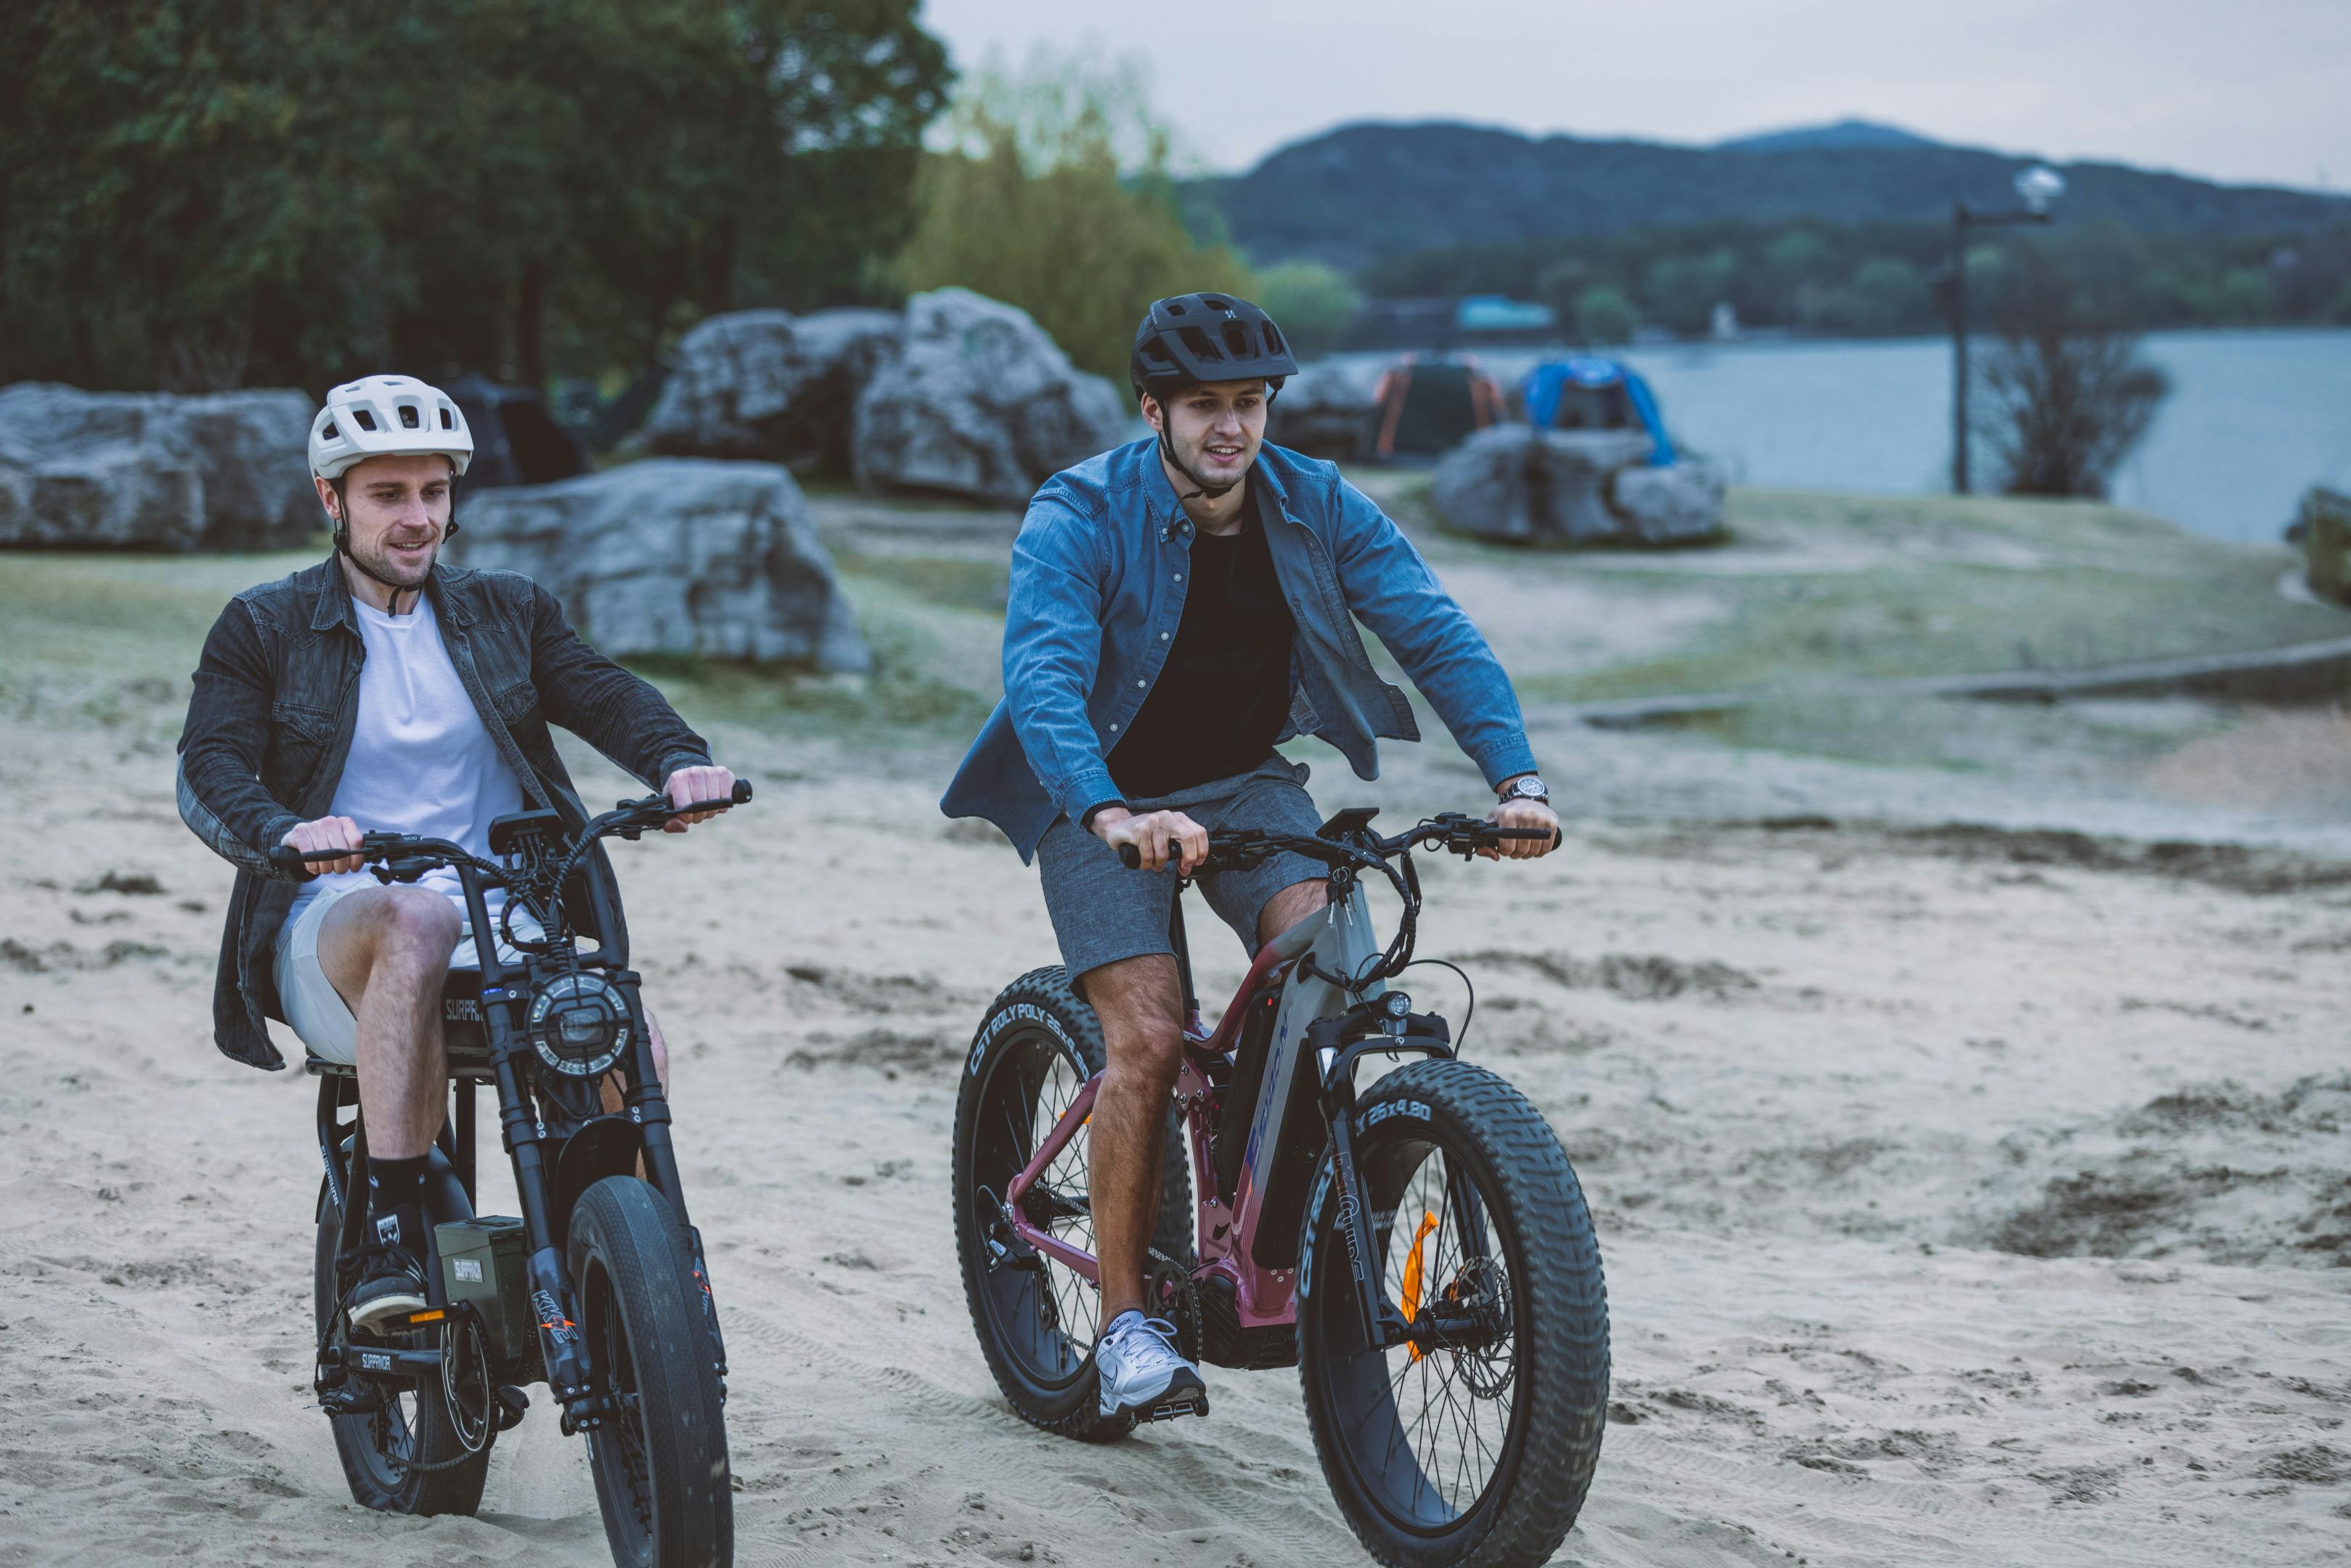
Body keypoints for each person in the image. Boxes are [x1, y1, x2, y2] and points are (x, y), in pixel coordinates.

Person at [940, 294, 1558, 1422]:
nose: (1230, 428)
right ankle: (1128, 1329)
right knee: (1145, 1033)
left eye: (1249, 404)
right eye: (1204, 407)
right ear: (1153, 410)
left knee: (1327, 960)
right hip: (1100, 791)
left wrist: (1515, 782)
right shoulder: (1077, 510)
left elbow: (1430, 627)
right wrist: (1106, 810)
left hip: (1242, 779)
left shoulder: (1315, 502)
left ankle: (1274, 1226)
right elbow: (1042, 677)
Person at [177, 374, 737, 1331]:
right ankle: (389, 1238)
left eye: (432, 493)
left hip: (504, 914)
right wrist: (286, 834)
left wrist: (682, 762)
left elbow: (603, 694)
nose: (416, 519)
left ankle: (616, 1261)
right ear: (332, 499)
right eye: (388, 496)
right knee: (416, 916)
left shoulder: (507, 612)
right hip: (336, 925)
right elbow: (209, 768)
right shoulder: (264, 627)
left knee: (624, 1031)